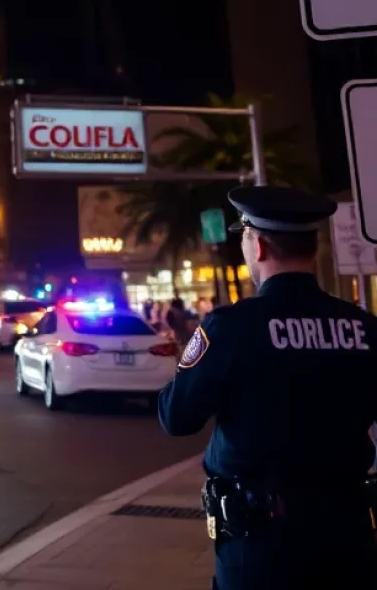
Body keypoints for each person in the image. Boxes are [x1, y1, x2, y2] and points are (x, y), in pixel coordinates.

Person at [158, 185, 377, 590]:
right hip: (350, 534)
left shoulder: (230, 327)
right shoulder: (364, 328)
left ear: (257, 246)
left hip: (261, 544)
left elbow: (177, 417)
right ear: (314, 248)